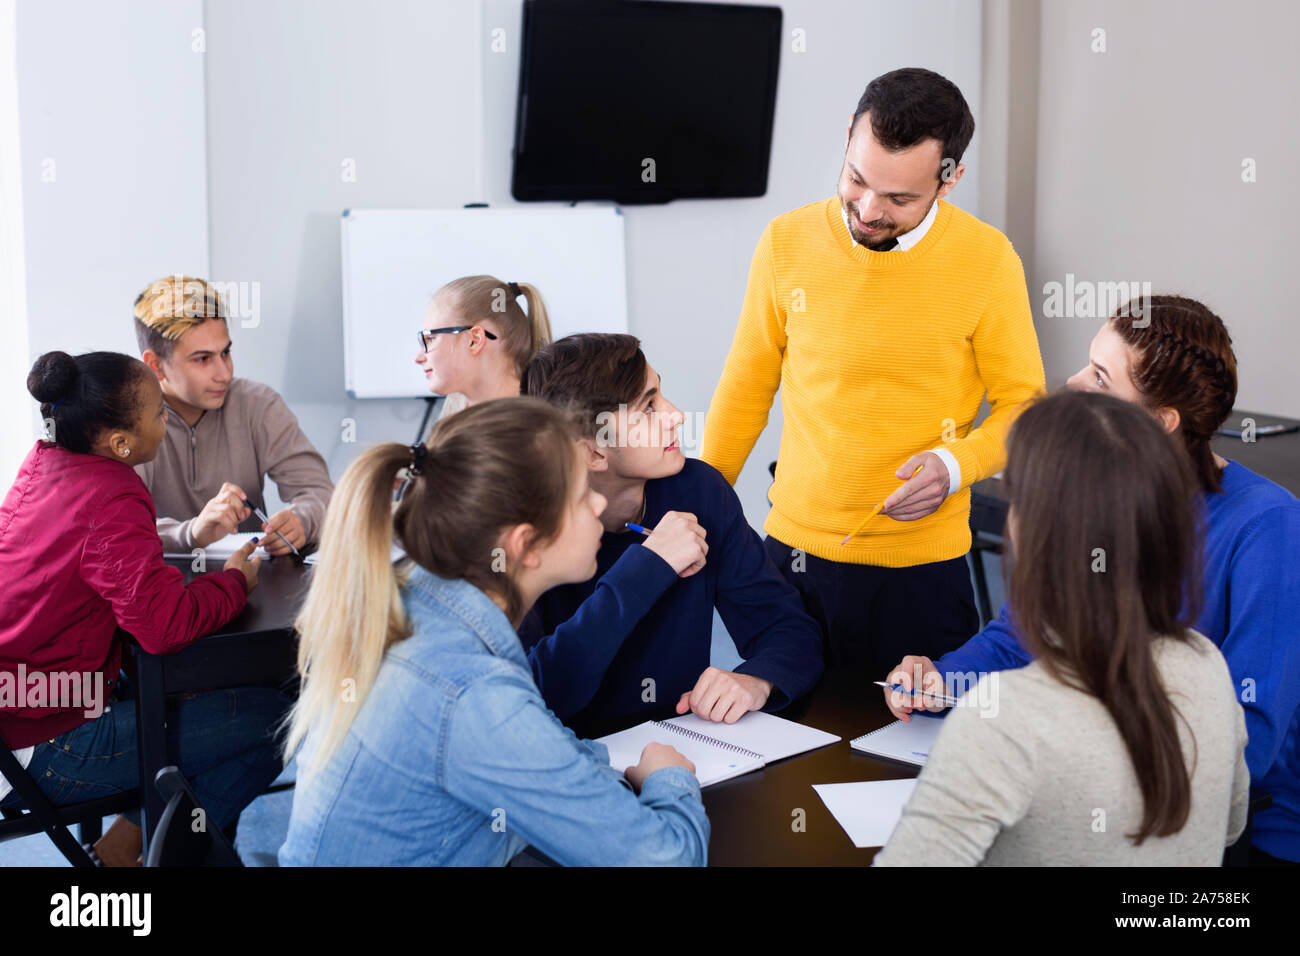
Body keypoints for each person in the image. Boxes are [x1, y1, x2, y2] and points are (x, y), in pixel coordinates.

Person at [884, 295, 1300, 866]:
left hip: (1246, 821)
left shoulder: (1266, 526)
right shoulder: (1096, 500)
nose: (1074, 383)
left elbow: (1249, 741)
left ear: (1159, 422)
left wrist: (1059, 764)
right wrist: (942, 681)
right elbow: (1021, 634)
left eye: (1101, 377)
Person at [700, 67, 1045, 677]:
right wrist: (701, 504)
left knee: (917, 757)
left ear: (950, 179)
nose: (867, 209)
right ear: (848, 141)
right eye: (856, 179)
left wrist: (954, 464)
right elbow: (748, 385)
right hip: (795, 559)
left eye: (899, 198)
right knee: (783, 752)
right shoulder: (786, 242)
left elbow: (1026, 408)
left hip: (924, 574)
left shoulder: (989, 261)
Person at [278, 398, 708, 866]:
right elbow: (668, 858)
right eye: (583, 495)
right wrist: (669, 776)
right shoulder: (471, 692)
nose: (600, 502)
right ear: (524, 544)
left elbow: (534, 742)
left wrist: (593, 773)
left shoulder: (421, 604)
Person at [0, 351, 289, 866]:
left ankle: (125, 845)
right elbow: (162, 628)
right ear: (120, 443)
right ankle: (161, 861)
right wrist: (232, 584)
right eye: (158, 414)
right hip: (50, 745)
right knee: (277, 720)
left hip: (19, 714)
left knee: (209, 700)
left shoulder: (43, 464)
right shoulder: (112, 492)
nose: (166, 420)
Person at [520, 334, 823, 740]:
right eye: (648, 408)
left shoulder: (700, 490)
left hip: (688, 749)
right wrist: (648, 568)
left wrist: (756, 680)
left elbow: (788, 628)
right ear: (594, 453)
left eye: (661, 395)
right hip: (573, 766)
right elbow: (534, 694)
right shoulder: (522, 530)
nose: (676, 415)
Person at [132, 275, 333, 556]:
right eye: (202, 359)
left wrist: (301, 519)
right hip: (157, 591)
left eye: (225, 352)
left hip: (249, 584)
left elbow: (322, 493)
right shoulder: (124, 422)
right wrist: (190, 533)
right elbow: (111, 527)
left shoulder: (259, 405)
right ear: (155, 365)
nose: (225, 373)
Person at [413, 275, 553, 418]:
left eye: (430, 339)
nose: (417, 358)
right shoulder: (456, 401)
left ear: (475, 339)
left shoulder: (532, 425)